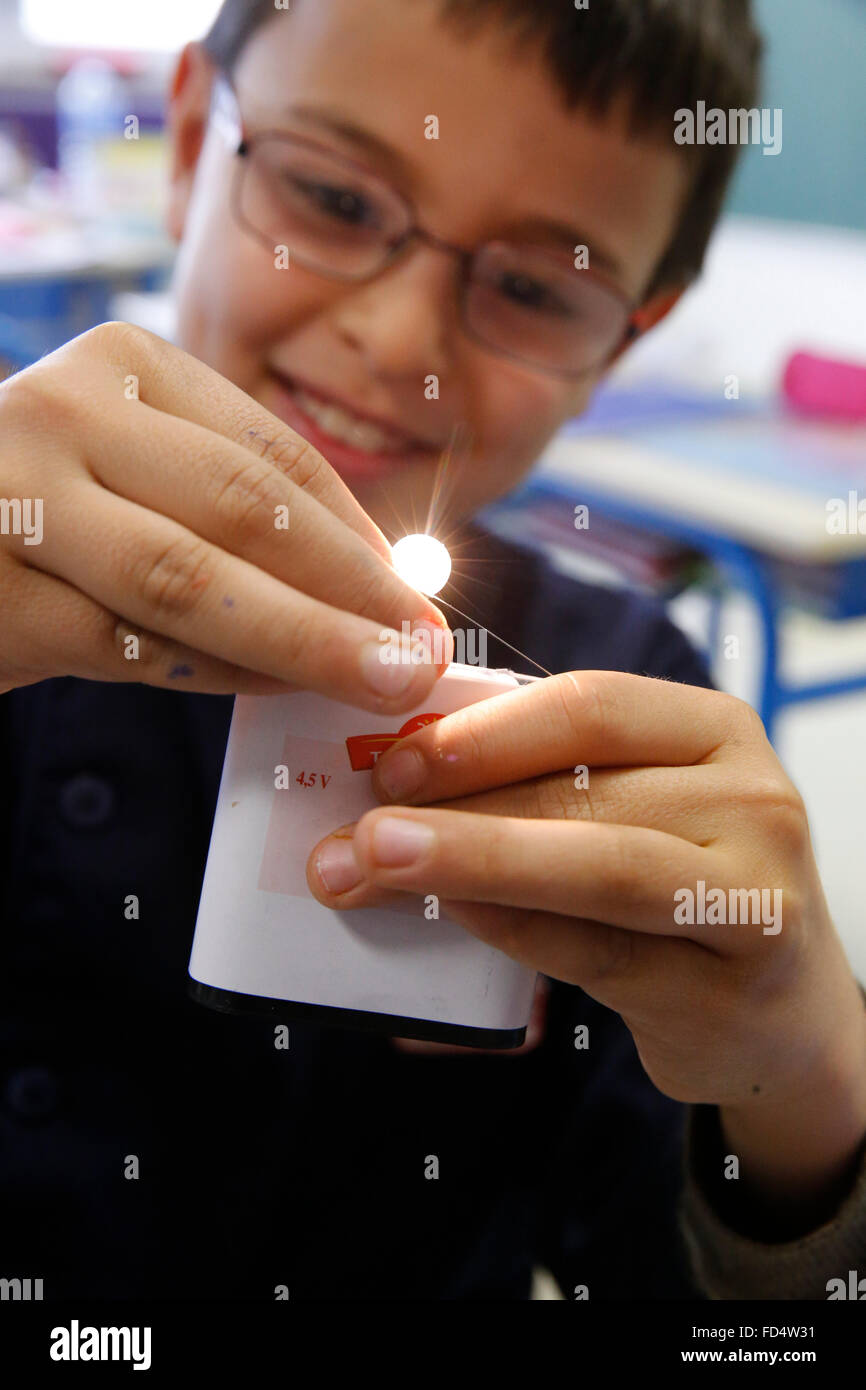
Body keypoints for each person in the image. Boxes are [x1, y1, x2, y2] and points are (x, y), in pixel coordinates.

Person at [1, 0, 864, 1301]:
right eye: (334, 201)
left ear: (620, 341)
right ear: (190, 143)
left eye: (531, 288)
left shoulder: (616, 698)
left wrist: (803, 1090)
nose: (400, 345)